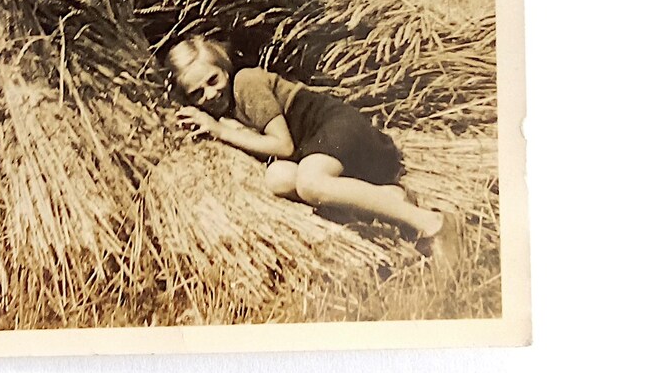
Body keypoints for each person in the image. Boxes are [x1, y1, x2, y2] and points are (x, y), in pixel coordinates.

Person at [166, 34, 461, 268]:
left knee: (310, 183)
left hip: (339, 125)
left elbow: (283, 145)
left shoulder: (246, 83)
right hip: (320, 149)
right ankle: (388, 199)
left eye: (213, 79)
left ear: (224, 69)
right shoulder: (229, 110)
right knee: (278, 178)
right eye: (197, 94)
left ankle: (433, 222)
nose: (210, 93)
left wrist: (221, 131)